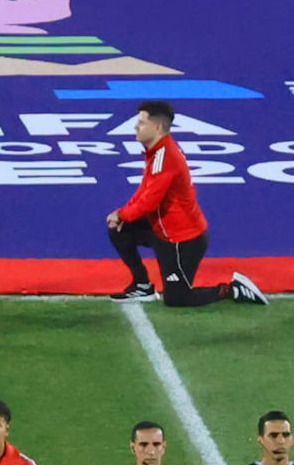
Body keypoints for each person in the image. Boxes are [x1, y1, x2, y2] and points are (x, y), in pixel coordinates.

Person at [106, 100, 260, 309]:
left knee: (177, 298)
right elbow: (145, 189)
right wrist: (122, 214)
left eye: (141, 123)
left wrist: (122, 215)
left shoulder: (165, 157)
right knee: (120, 230)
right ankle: (142, 285)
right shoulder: (157, 151)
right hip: (162, 229)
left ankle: (232, 289)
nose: (136, 127)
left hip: (181, 240)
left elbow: (149, 202)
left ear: (158, 127)